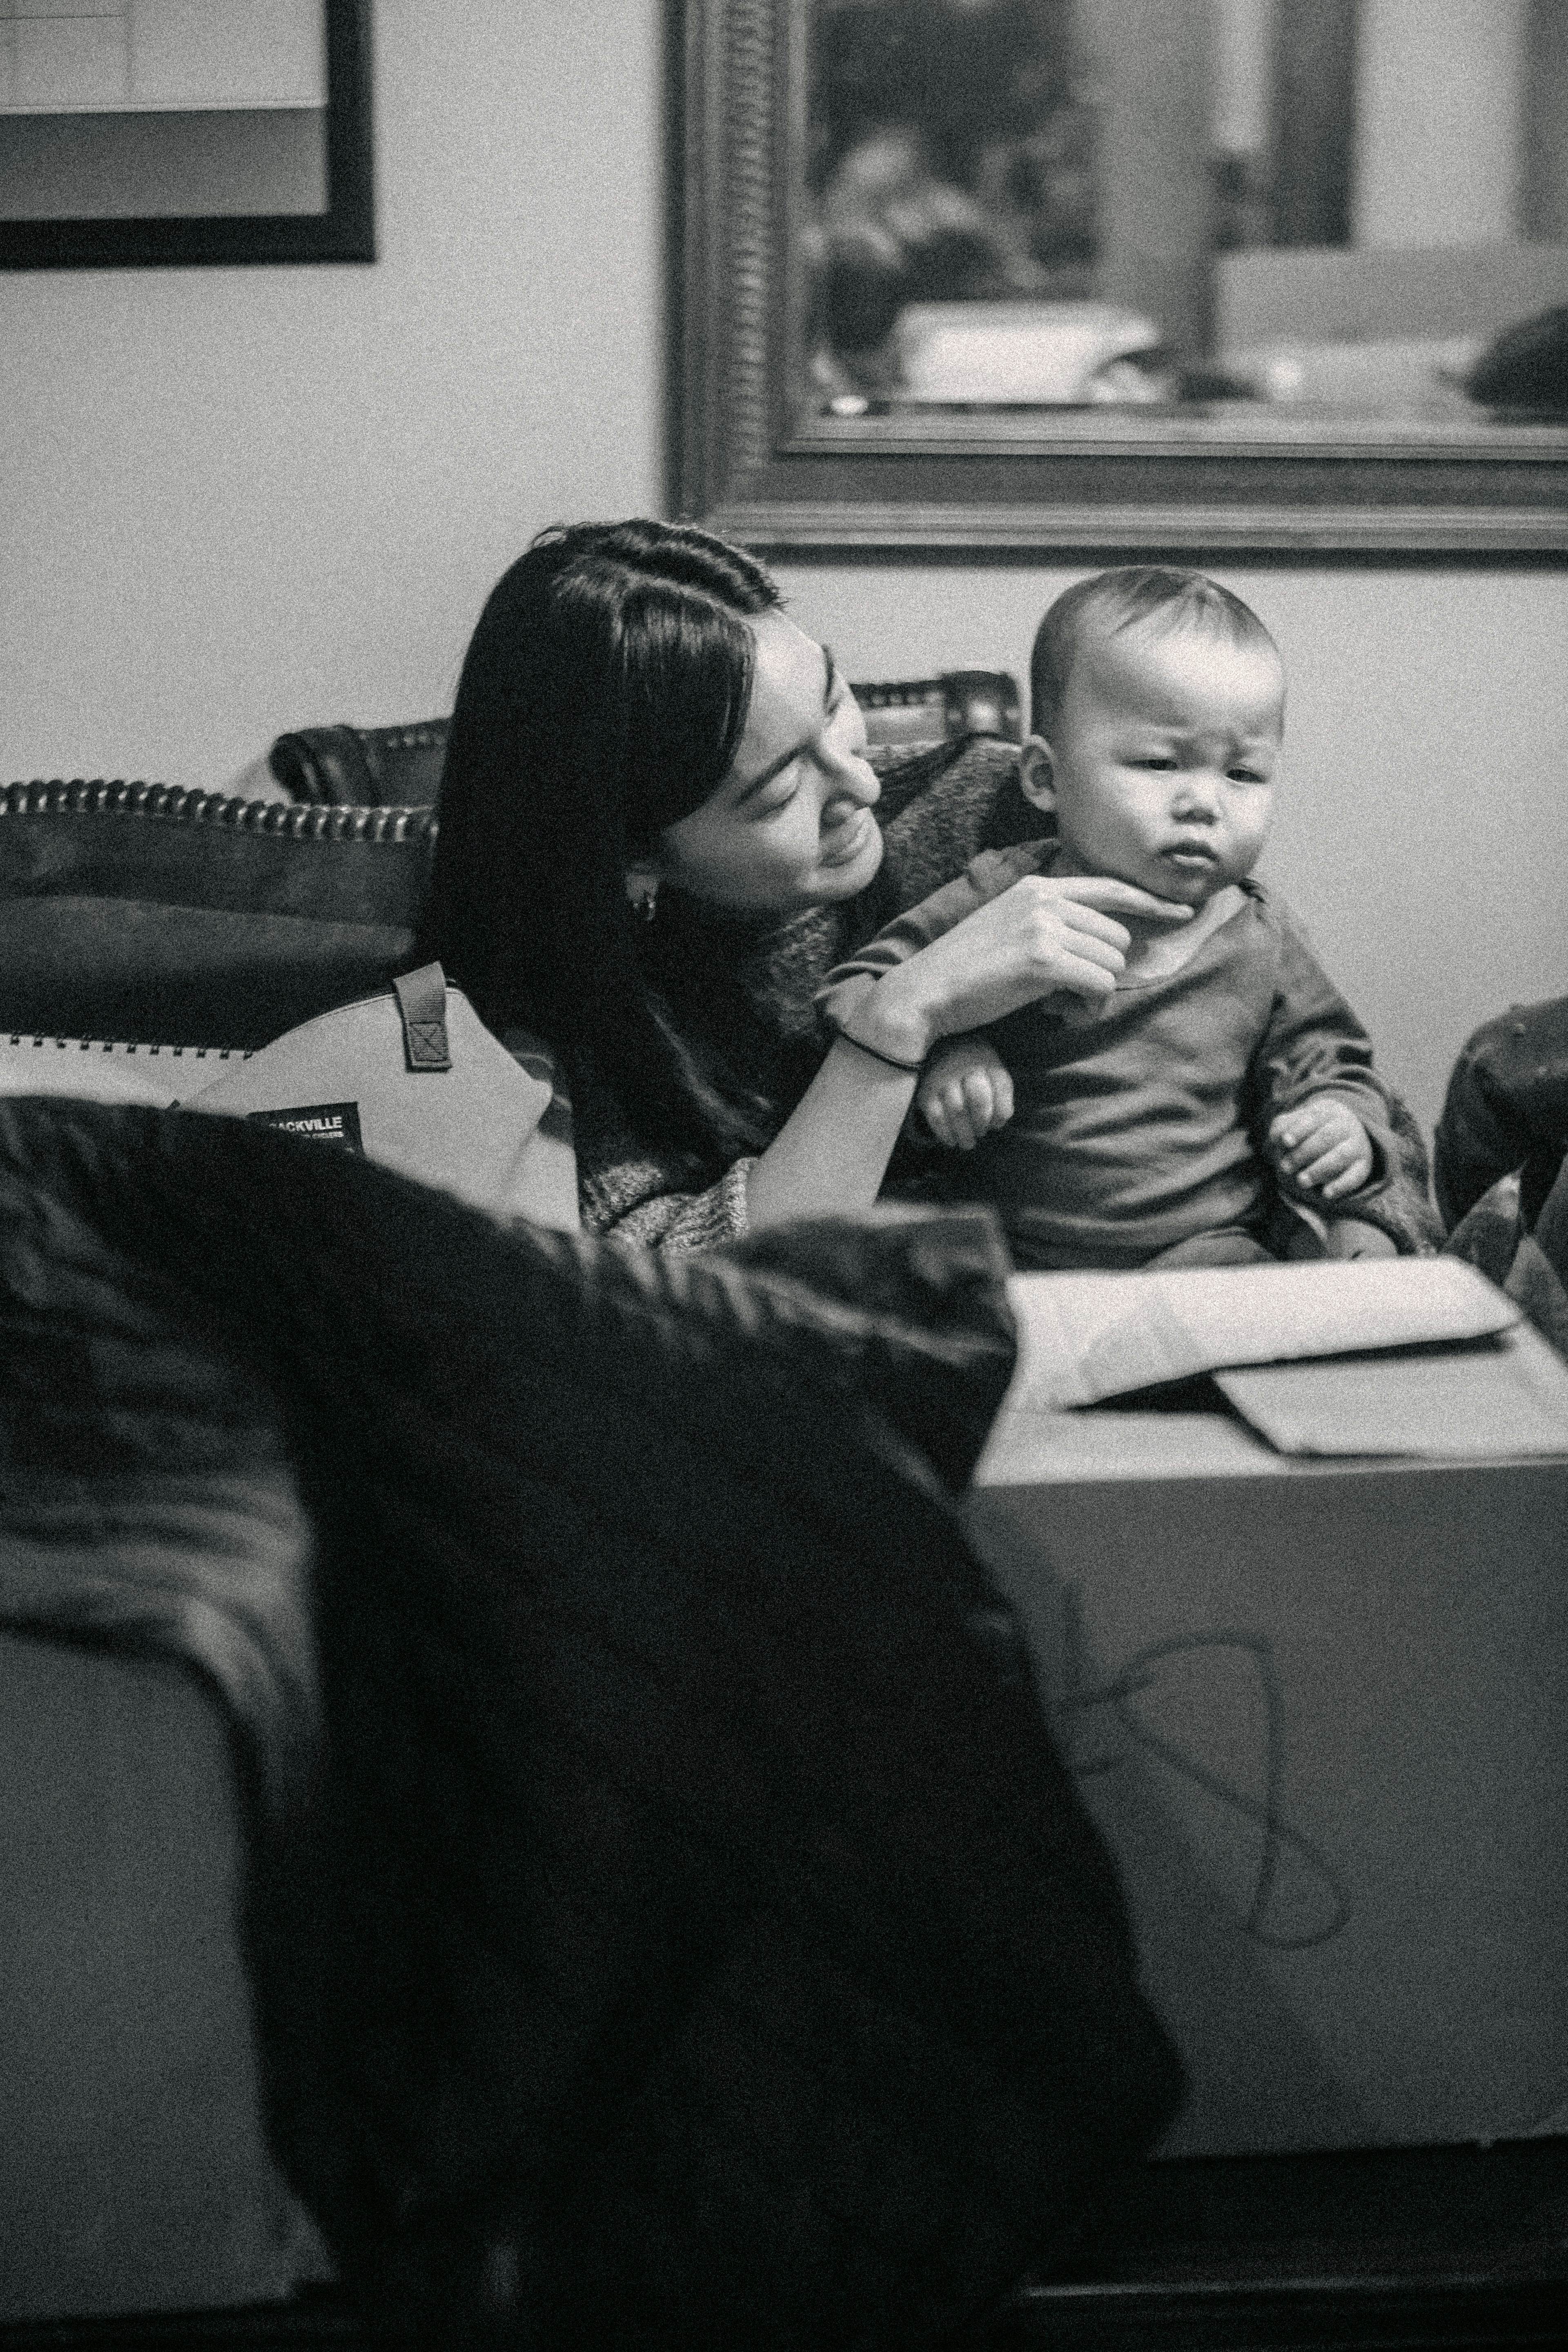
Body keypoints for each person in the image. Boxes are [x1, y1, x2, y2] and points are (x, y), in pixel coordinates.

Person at [419, 519, 1201, 1247]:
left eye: (833, 702)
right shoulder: (559, 1026)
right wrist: (898, 1017)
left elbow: (1225, 1025)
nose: (860, 784)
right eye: (780, 791)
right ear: (634, 855)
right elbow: (671, 1297)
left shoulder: (1002, 810)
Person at [817, 566, 1441, 1270]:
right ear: (1046, 779)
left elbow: (1333, 1066)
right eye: (1158, 762)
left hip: (1209, 1254)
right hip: (1007, 1261)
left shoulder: (1261, 936)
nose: (1204, 801)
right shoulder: (999, 898)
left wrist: (1341, 1122)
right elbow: (857, 995)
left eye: (1243, 774)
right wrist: (943, 1053)